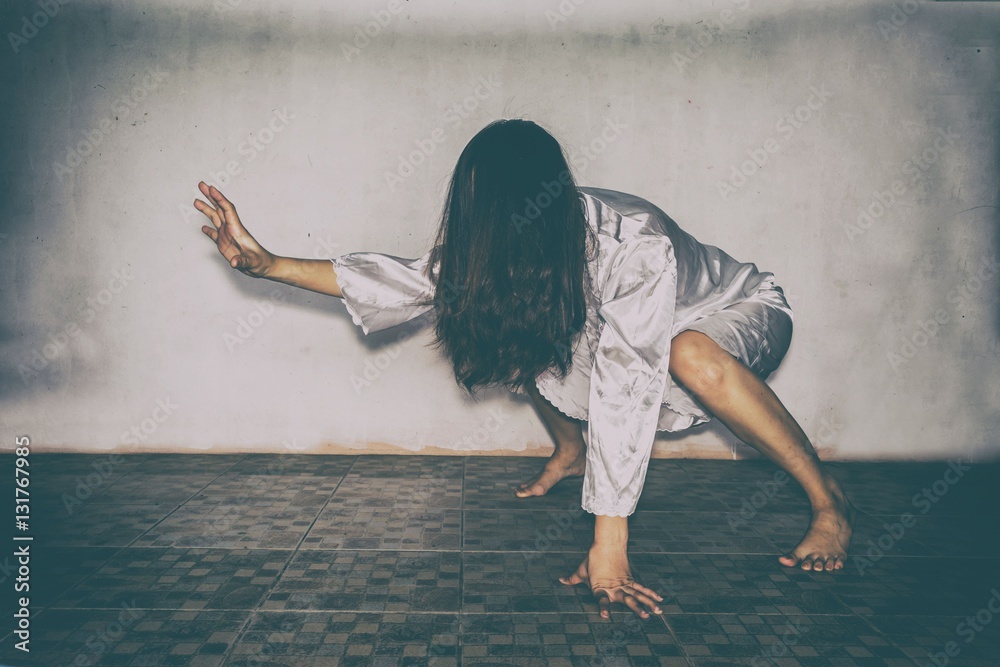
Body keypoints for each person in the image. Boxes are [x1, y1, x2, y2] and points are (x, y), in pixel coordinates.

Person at [193, 118, 855, 621]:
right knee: (507, 312)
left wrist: (609, 543)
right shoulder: (504, 239)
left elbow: (627, 378)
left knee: (688, 354)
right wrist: (268, 264)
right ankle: (571, 448)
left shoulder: (633, 244)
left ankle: (829, 501)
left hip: (734, 310)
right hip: (638, 332)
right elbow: (405, 280)